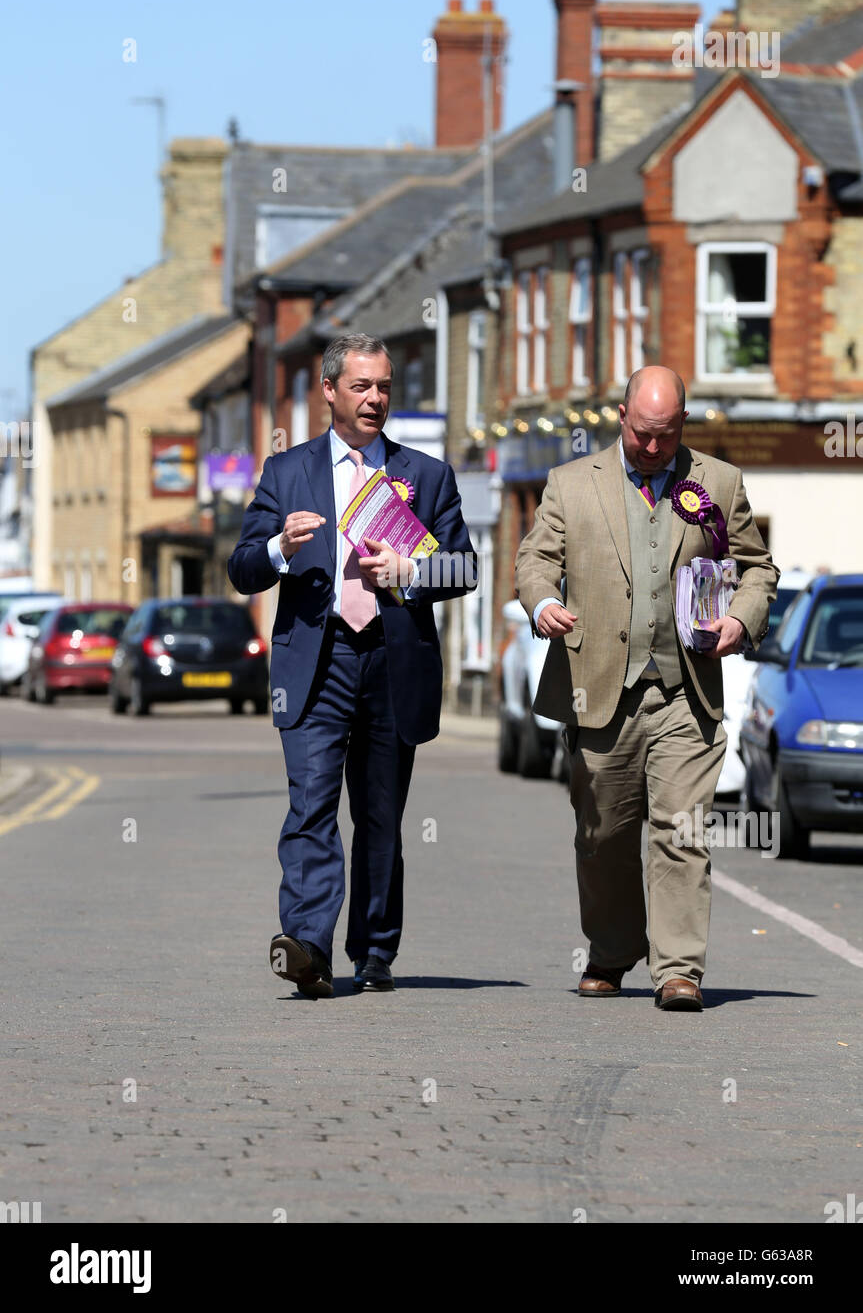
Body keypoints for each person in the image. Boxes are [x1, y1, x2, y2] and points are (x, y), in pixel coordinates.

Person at [515, 366, 779, 1012]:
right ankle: (611, 951)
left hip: (685, 692)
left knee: (682, 830)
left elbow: (756, 568)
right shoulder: (570, 483)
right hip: (598, 690)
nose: (653, 447)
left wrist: (740, 618)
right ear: (621, 417)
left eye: (665, 434)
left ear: (683, 422)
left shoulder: (719, 482)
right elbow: (535, 559)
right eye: (641, 433)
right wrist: (542, 602)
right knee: (601, 835)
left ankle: (678, 969)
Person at [228, 333, 476, 998]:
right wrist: (278, 547)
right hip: (319, 657)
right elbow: (242, 568)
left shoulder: (425, 475)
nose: (374, 399)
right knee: (310, 805)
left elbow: (464, 569)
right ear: (329, 390)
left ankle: (373, 950)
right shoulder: (288, 472)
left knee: (379, 816)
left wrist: (411, 570)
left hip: (393, 660)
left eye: (384, 387)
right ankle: (308, 947)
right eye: (361, 386)